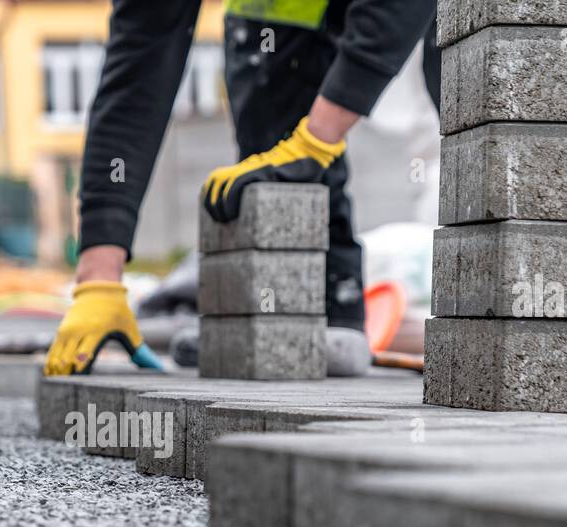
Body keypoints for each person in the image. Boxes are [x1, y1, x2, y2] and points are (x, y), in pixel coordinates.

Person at [44, 0, 440, 377]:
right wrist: (99, 278)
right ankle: (320, 304)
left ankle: (487, 311)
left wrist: (316, 140)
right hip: (281, 22)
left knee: (473, 48)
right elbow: (139, 65)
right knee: (274, 144)